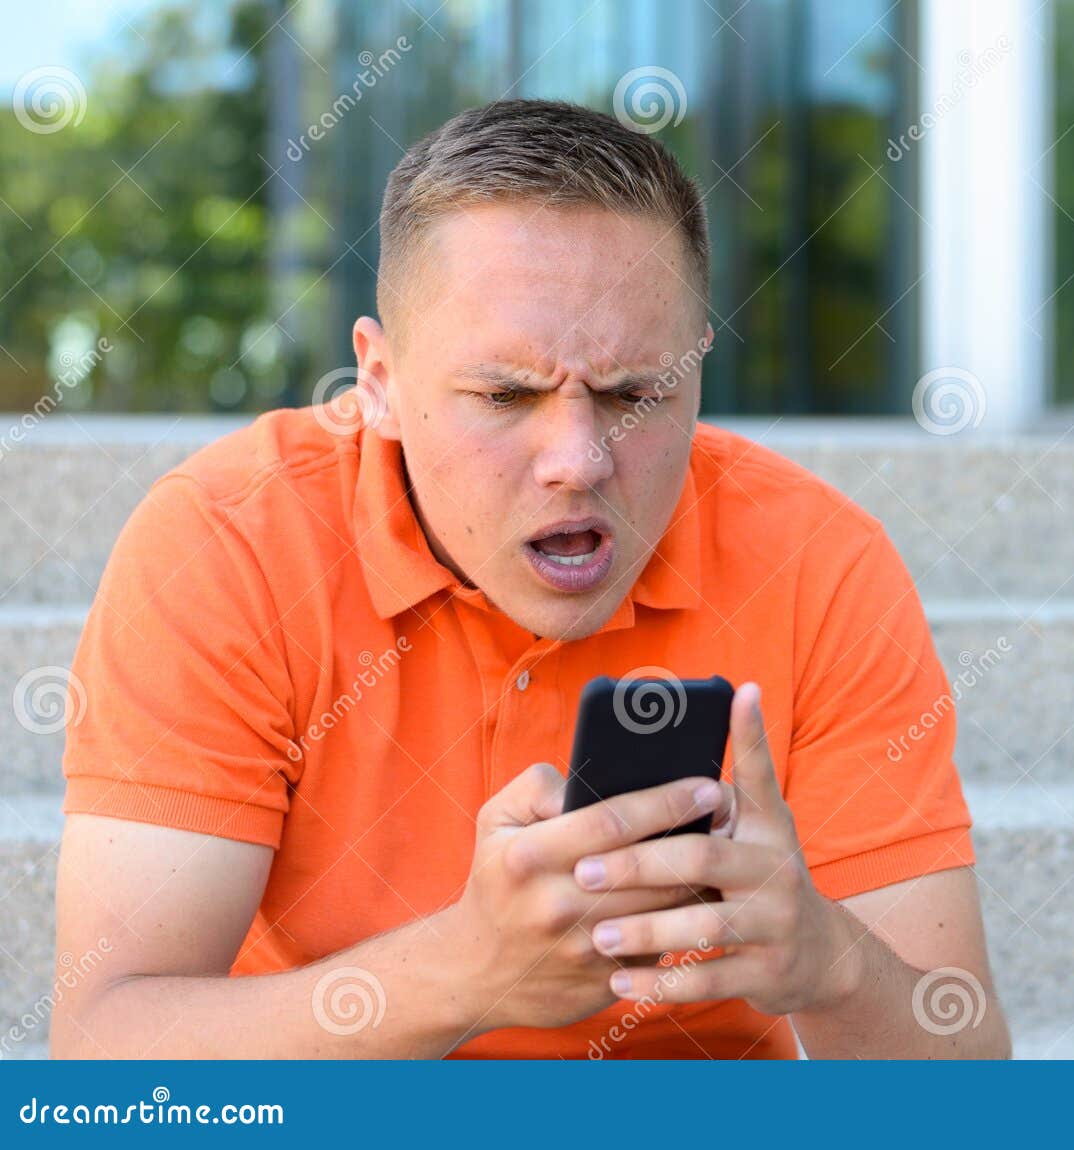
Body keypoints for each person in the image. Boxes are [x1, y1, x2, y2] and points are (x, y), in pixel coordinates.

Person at [51, 99, 1008, 1059]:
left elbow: (965, 1083)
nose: (578, 460)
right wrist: (465, 973)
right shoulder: (232, 544)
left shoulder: (816, 563)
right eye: (505, 395)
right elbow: (103, 1058)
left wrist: (828, 964)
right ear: (377, 382)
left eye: (637, 393)